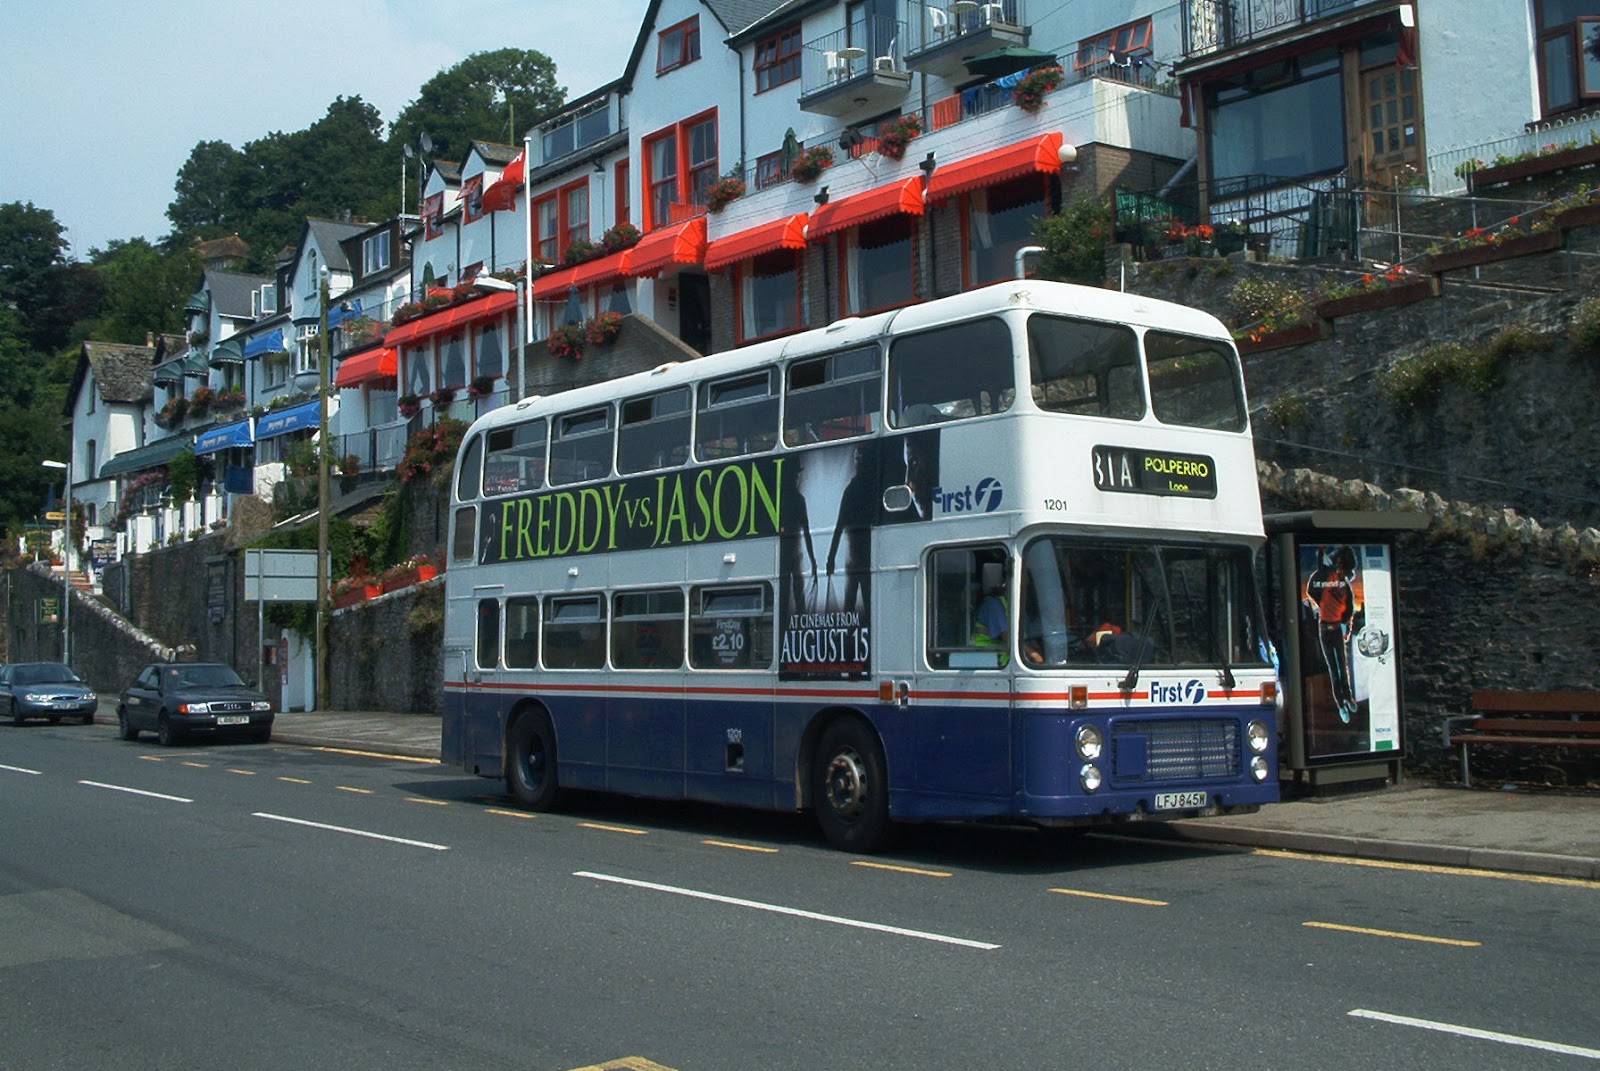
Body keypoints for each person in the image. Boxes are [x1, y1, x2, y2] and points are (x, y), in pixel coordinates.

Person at [1304, 545, 1358, 723]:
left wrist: (1346, 628)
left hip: (1336, 629)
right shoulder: (1326, 576)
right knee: (1333, 669)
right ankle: (1341, 704)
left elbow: (1349, 610)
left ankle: (1348, 697)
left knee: (1342, 666)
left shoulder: (1346, 587)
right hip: (1324, 629)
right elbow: (1320, 568)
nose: (1342, 571)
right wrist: (1320, 551)